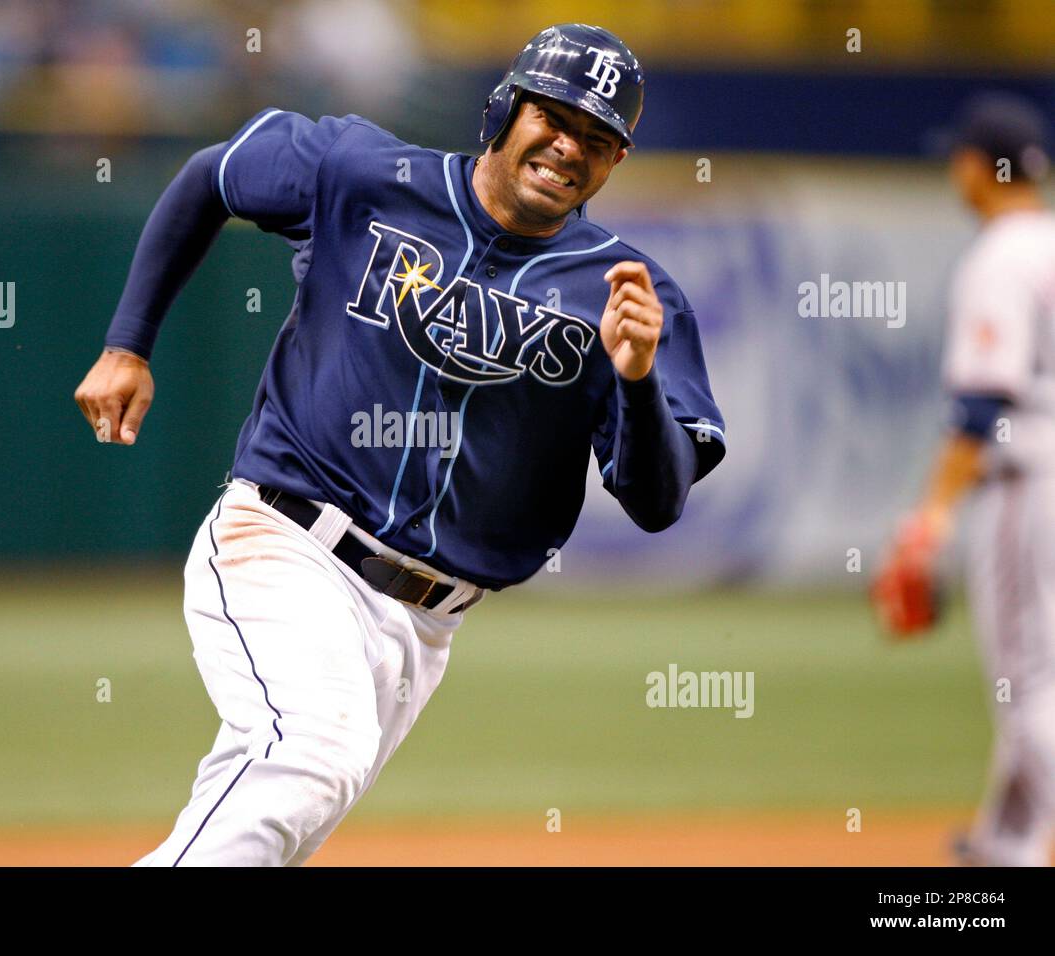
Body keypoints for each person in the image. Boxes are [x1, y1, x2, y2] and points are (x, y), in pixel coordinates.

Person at [73, 23, 726, 866]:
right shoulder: (365, 172)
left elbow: (657, 501)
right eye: (555, 117)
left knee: (270, 815)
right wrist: (128, 343)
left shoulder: (626, 291)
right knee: (314, 757)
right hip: (288, 539)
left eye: (598, 139)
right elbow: (215, 176)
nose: (569, 146)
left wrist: (635, 377)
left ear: (615, 163)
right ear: (504, 108)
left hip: (425, 626)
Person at [878, 92, 1055, 866]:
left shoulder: (1002, 254)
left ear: (984, 167)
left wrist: (931, 518)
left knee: (1029, 683)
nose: (956, 170)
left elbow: (983, 403)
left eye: (962, 157)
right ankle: (1007, 846)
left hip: (1032, 485)